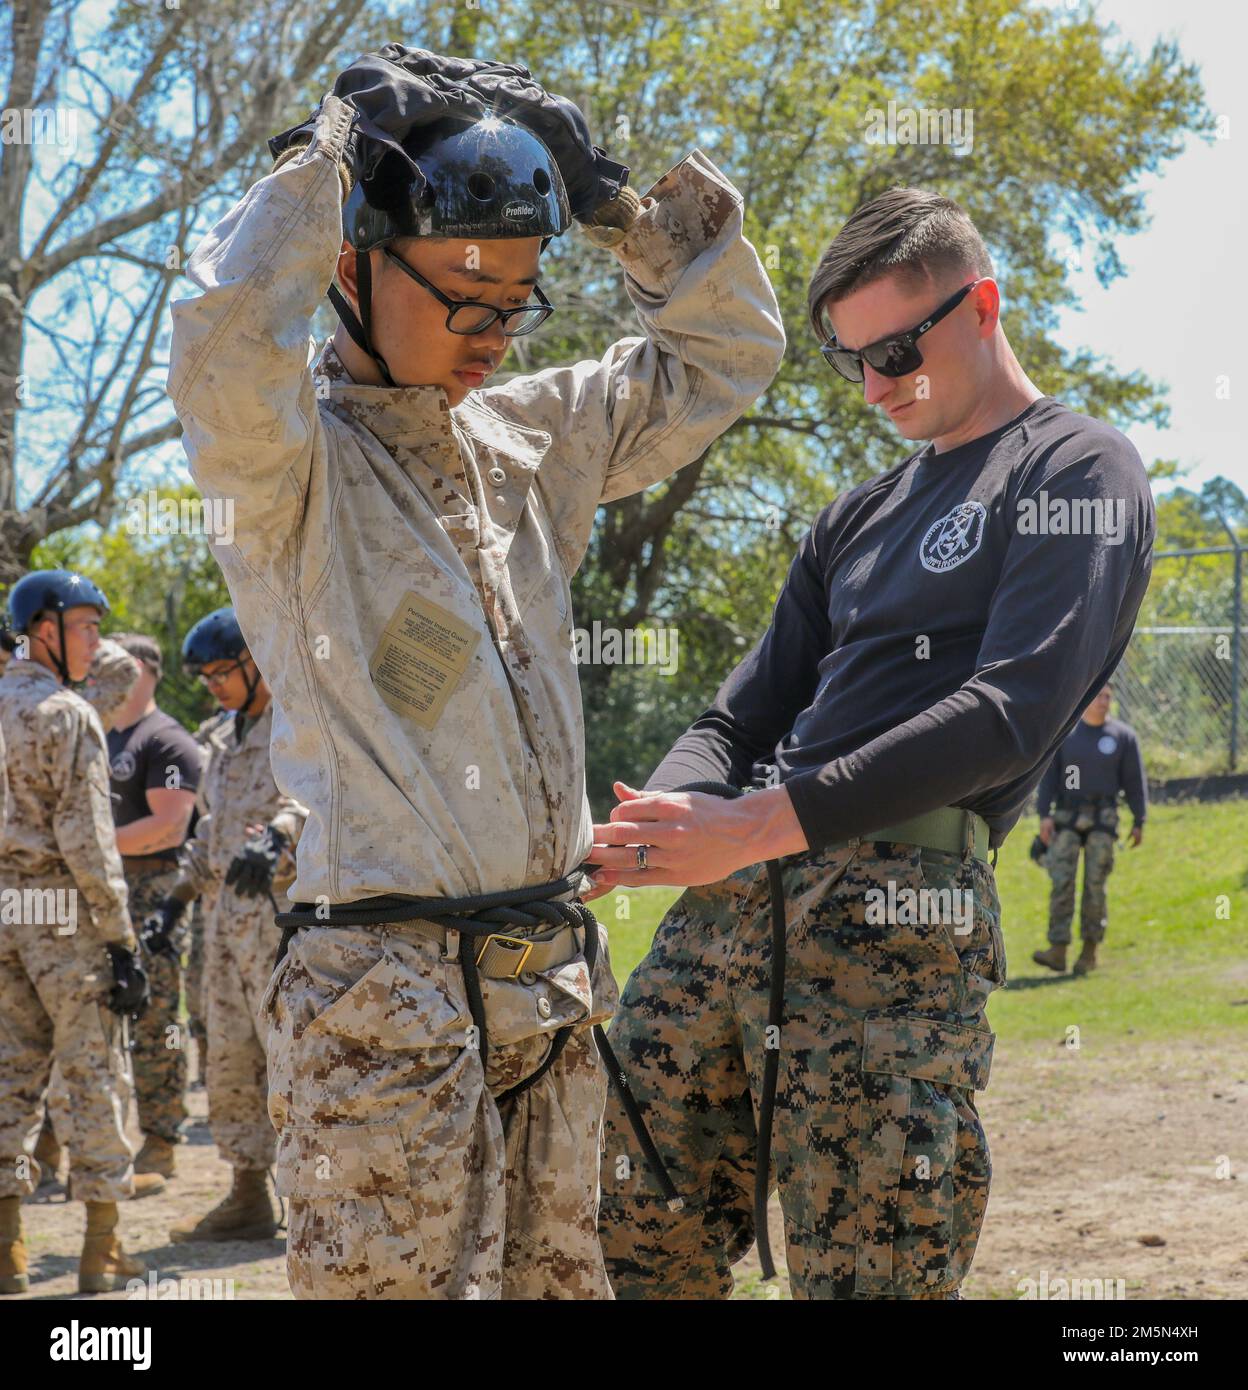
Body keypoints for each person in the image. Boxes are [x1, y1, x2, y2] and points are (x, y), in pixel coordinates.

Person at [166, 44, 784, 1299]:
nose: (494, 331)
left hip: (546, 992)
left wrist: (615, 207)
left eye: (518, 297)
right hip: (382, 1010)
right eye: (462, 291)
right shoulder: (286, 467)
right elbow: (223, 348)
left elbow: (725, 356)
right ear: (351, 270)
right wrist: (321, 163)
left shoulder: (532, 438)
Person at [587, 186, 1155, 1299]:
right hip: (729, 906)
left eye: (898, 349)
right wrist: (646, 830)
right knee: (625, 1236)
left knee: (870, 1270)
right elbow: (735, 720)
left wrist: (751, 821)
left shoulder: (1076, 470)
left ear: (983, 304)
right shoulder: (854, 513)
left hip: (897, 912)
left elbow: (1012, 710)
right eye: (853, 361)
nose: (876, 385)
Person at [0, 571, 163, 1296]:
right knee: (95, 1075)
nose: (98, 642)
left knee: (8, 1079)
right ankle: (101, 1251)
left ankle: (8, 1254)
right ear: (43, 628)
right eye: (85, 627)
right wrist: (122, 939)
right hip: (63, 915)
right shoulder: (70, 715)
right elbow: (90, 844)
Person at [144, 608, 306, 1242]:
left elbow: (314, 800)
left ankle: (315, 1197)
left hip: (280, 927)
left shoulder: (299, 725)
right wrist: (175, 901)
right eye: (204, 675)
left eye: (220, 671)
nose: (212, 684)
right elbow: (210, 831)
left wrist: (278, 836)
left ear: (255, 659)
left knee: (292, 1060)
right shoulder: (219, 736)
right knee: (230, 1062)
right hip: (222, 931)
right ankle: (247, 1193)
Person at [105, 632, 203, 1178]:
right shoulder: (104, 732)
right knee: (108, 1010)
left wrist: (92, 843)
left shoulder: (166, 740)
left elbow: (169, 826)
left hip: (156, 889)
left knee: (156, 1014)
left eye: (117, 664)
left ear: (143, 669)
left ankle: (161, 1141)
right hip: (111, 888)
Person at [1032, 683, 1146, 975]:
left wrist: (1139, 820)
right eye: (1098, 696)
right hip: (1067, 817)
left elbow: (1134, 782)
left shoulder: (1122, 737)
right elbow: (1049, 777)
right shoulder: (1066, 733)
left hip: (1103, 820)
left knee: (1096, 884)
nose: (1103, 701)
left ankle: (1089, 951)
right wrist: (1044, 815)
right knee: (1062, 881)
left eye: (1107, 696)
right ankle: (1057, 949)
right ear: (1086, 698)